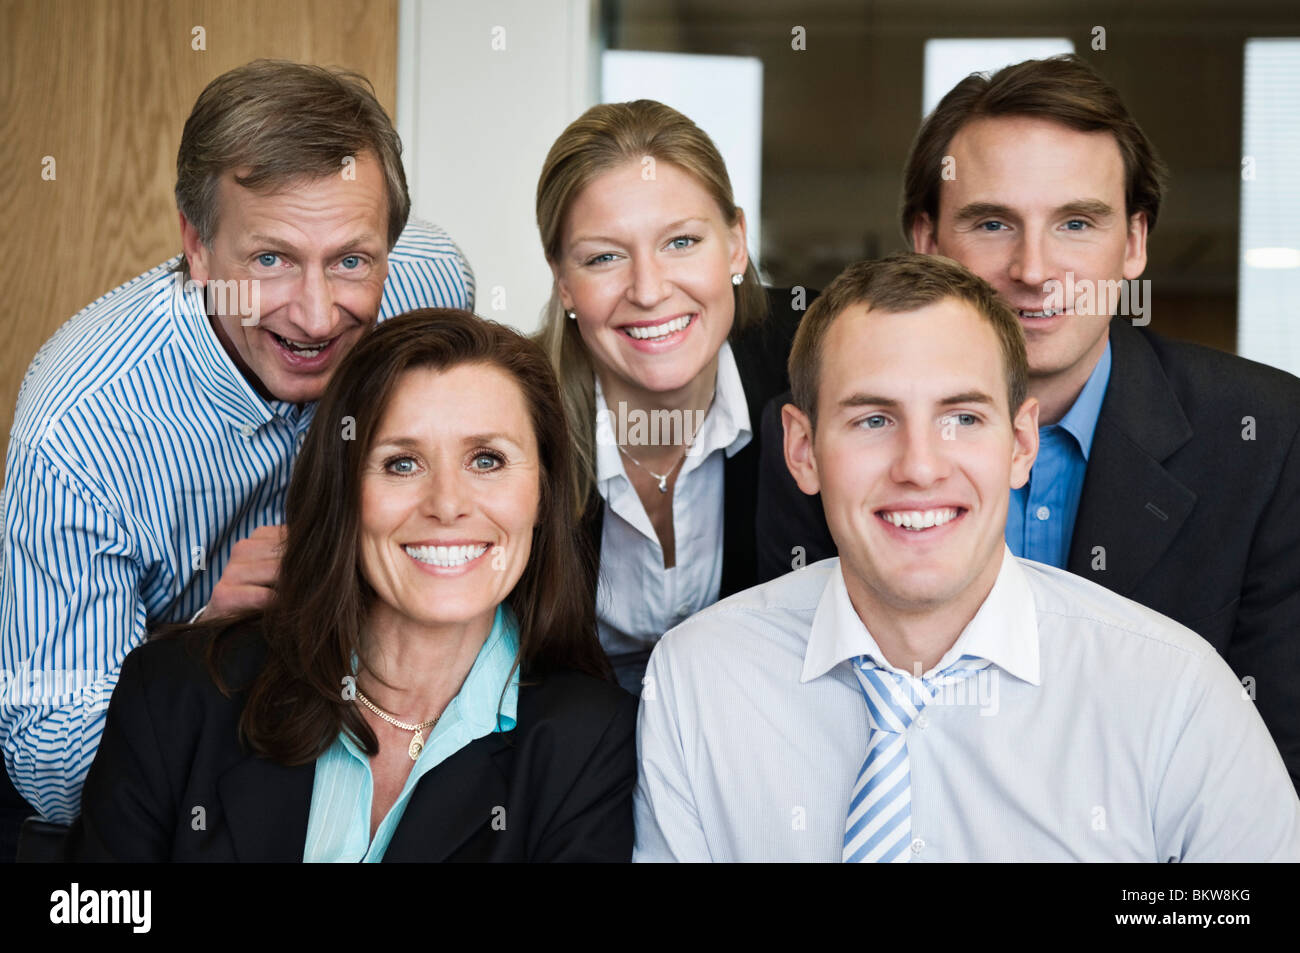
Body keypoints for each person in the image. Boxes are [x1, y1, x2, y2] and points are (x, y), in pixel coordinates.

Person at [634, 253, 1300, 862]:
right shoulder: (697, 682)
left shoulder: (1177, 697)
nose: (920, 467)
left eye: (962, 418)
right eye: (873, 419)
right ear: (802, 450)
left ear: (1019, 443)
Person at [754, 55, 1300, 788]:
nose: (1035, 269)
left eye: (1077, 221)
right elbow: (795, 713)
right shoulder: (829, 437)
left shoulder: (1267, 435)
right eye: (991, 222)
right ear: (926, 240)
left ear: (1134, 243)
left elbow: (1273, 767)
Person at [0, 59, 475, 851]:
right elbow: (50, 762)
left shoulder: (430, 278)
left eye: (353, 260)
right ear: (196, 245)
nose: (319, 314)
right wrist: (204, 645)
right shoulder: (78, 428)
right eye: (271, 260)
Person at [66, 309, 636, 862]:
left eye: (486, 460)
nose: (446, 505)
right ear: (343, 491)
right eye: (401, 464)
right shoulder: (176, 692)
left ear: (542, 493)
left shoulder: (591, 742)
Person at [535, 99, 811, 695]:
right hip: (566, 765)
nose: (650, 290)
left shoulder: (821, 359)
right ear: (563, 282)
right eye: (604, 257)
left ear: (736, 244)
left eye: (681, 242)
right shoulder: (511, 414)